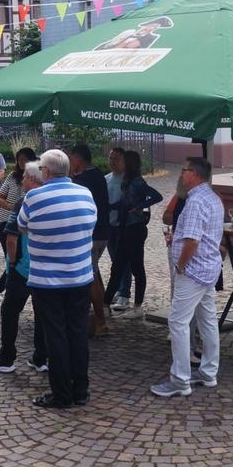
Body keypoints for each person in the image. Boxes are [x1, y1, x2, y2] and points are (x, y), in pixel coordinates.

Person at [19, 149, 96, 409]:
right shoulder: (85, 193)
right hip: (80, 277)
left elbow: (22, 225)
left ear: (46, 171)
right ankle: (81, 390)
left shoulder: (34, 197)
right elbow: (91, 223)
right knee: (78, 333)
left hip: (47, 281)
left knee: (56, 336)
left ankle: (62, 394)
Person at [150, 157, 223, 397]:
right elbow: (198, 236)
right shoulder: (212, 198)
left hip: (193, 271)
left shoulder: (195, 201)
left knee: (178, 322)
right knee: (207, 320)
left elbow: (193, 241)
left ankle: (180, 380)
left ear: (194, 174)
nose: (181, 174)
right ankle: (208, 373)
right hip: (208, 268)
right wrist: (178, 240)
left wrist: (181, 266)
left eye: (184, 170)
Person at [0, 161, 48, 373]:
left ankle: (6, 358)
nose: (23, 179)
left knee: (10, 311)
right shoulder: (50, 200)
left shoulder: (23, 202)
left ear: (32, 179)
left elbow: (12, 238)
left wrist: (11, 263)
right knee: (41, 313)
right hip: (43, 267)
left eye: (25, 176)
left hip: (22, 268)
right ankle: (41, 358)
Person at [104, 150, 162, 318]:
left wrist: (139, 207)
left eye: (121, 160)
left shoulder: (137, 182)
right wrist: (110, 206)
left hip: (135, 229)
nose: (117, 162)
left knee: (136, 267)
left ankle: (137, 306)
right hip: (124, 228)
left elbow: (157, 196)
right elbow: (123, 202)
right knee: (117, 267)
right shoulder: (127, 181)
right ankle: (106, 304)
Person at [68, 144, 110, 335]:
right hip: (101, 232)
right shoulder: (98, 175)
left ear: (78, 159)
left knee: (90, 275)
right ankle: (102, 310)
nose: (69, 163)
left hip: (91, 235)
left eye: (70, 159)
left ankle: (100, 321)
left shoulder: (82, 180)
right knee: (93, 271)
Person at [0, 148, 37, 310]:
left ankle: (0, 289)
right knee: (13, 259)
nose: (22, 162)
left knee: (18, 261)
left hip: (26, 226)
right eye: (19, 159)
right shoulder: (13, 176)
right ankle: (9, 294)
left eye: (25, 159)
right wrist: (14, 208)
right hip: (6, 222)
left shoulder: (37, 177)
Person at [105, 147, 131, 310]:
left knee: (124, 261)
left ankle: (124, 293)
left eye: (117, 159)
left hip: (124, 226)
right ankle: (118, 288)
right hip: (109, 225)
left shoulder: (128, 180)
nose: (113, 162)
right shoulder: (106, 179)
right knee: (114, 260)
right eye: (111, 158)